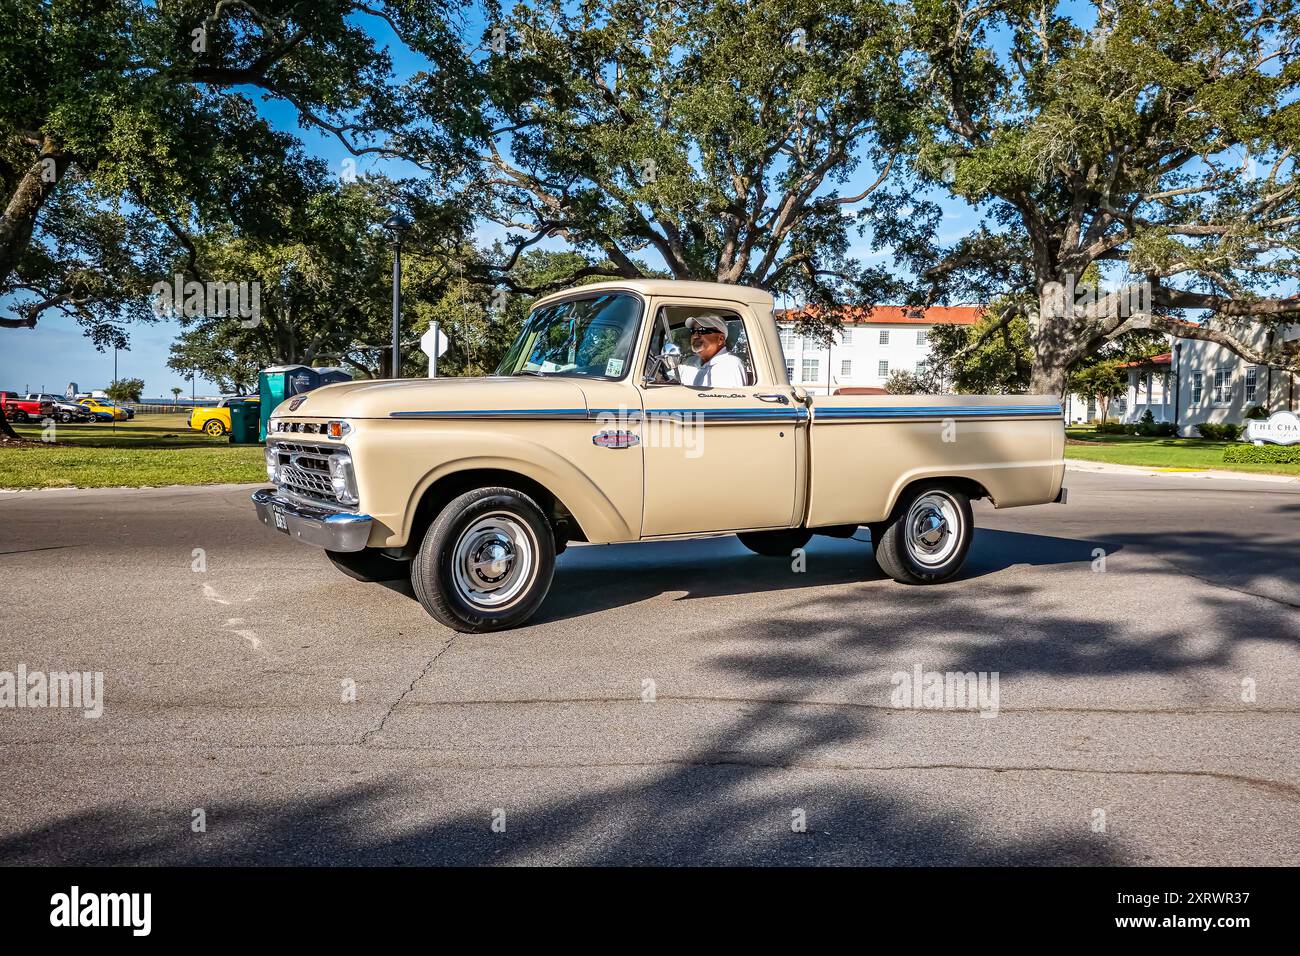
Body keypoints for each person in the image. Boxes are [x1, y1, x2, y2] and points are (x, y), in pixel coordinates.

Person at [677, 314, 748, 387]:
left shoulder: (731, 365)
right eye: (693, 331)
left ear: (721, 339)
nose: (695, 336)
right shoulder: (688, 362)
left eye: (702, 330)